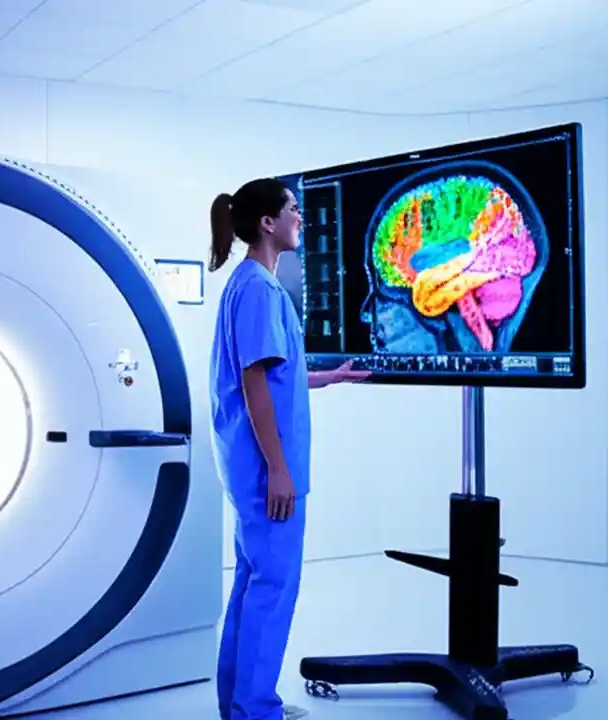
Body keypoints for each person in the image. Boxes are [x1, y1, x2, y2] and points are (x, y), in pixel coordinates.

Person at [208, 178, 370, 720]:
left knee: (254, 585)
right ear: (268, 223)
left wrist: (329, 377)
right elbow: (254, 383)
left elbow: (277, 374)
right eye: (293, 210)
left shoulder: (249, 284)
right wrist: (279, 469)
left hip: (248, 466)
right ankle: (256, 711)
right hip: (266, 472)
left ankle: (240, 706)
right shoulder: (258, 289)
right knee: (272, 591)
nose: (301, 218)